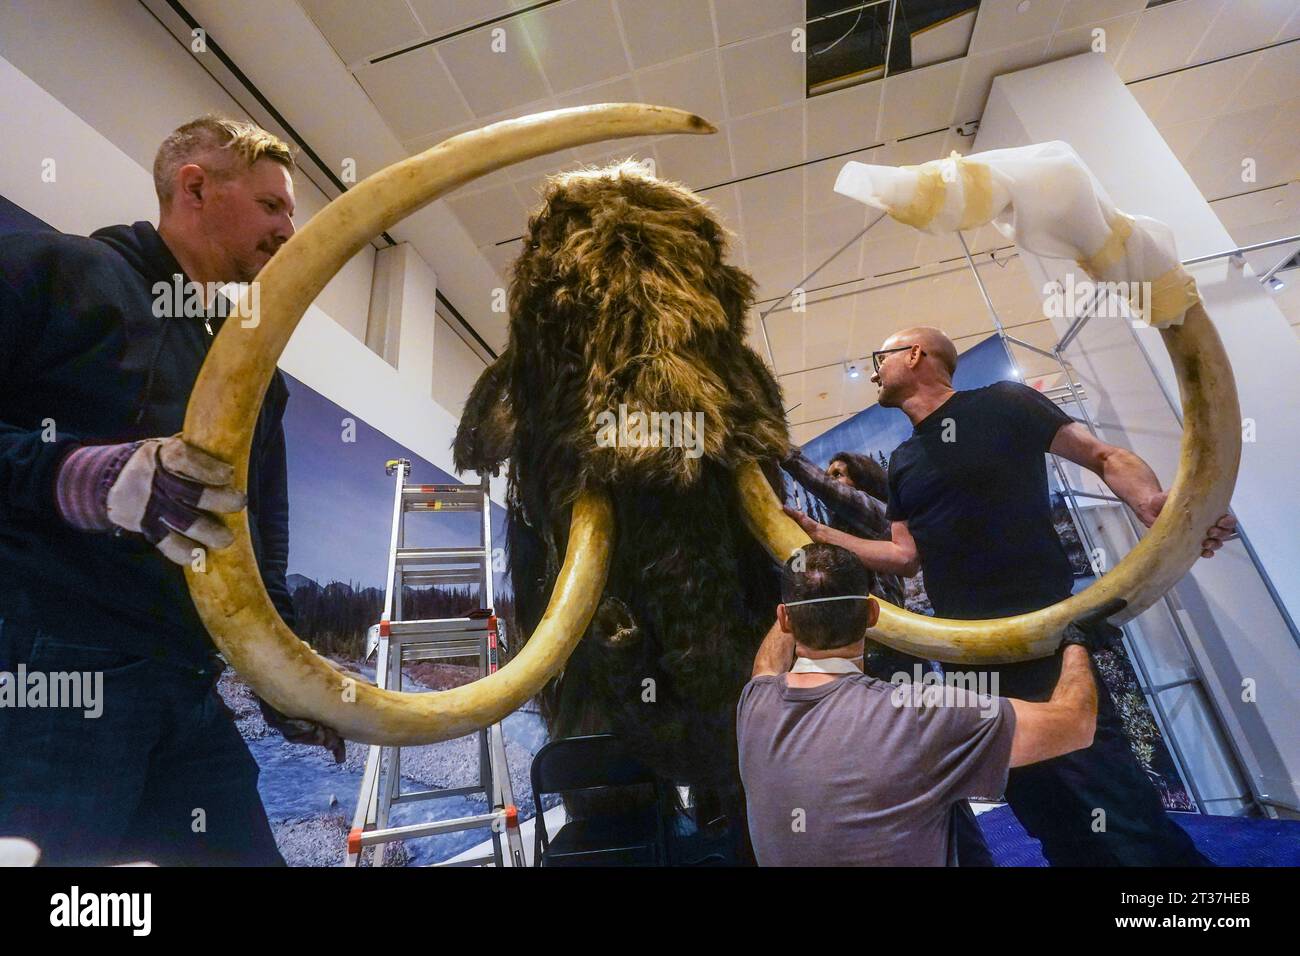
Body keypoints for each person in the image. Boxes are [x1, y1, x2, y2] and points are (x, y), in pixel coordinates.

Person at [0, 115, 341, 866]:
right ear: (195, 188)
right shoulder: (50, 274)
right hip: (46, 685)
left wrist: (284, 675)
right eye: (273, 206)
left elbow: (257, 547)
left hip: (188, 694)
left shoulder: (258, 380)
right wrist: (80, 477)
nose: (291, 230)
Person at [786, 326, 1233, 866]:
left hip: (1049, 639)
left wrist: (1153, 507)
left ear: (914, 354)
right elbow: (906, 557)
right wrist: (827, 537)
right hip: (971, 653)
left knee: (1109, 797)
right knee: (1038, 804)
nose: (873, 371)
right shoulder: (902, 461)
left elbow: (1103, 456)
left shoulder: (1004, 402)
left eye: (878, 358)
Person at [737, 543, 1106, 866]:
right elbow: (1075, 723)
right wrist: (1076, 644)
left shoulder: (755, 706)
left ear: (784, 619)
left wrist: (805, 593)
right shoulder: (917, 715)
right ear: (872, 614)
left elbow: (765, 666)